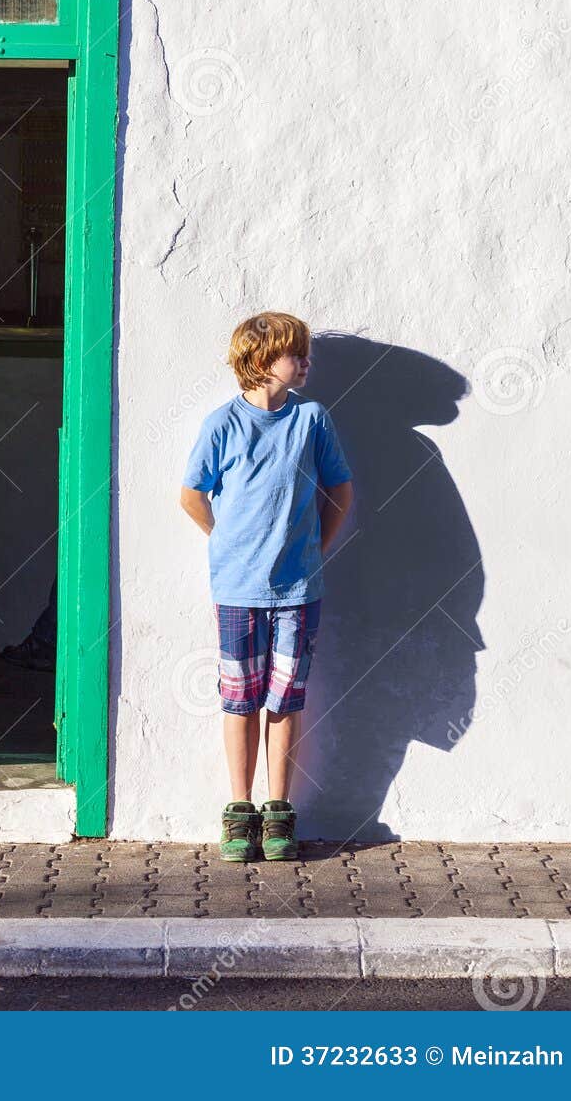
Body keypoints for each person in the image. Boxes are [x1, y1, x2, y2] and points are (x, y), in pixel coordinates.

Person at [180, 312, 354, 863]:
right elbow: (191, 495)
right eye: (295, 354)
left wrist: (313, 553)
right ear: (261, 360)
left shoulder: (312, 419)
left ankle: (278, 809)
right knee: (240, 698)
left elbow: (340, 493)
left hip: (298, 591)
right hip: (237, 589)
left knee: (284, 698)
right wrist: (227, 543)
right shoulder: (222, 424)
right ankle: (240, 810)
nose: (306, 363)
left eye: (305, 354)